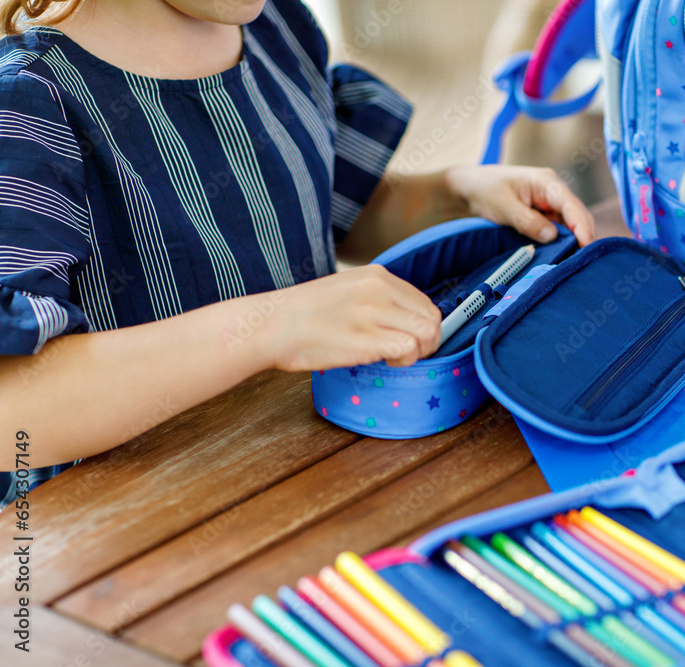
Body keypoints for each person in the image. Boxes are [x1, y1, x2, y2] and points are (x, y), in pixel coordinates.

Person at [0, 0, 595, 503]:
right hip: (120, 529)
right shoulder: (25, 102)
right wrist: (270, 328)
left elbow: (322, 202)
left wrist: (458, 196)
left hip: (298, 472)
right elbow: (16, 410)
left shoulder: (273, 26)